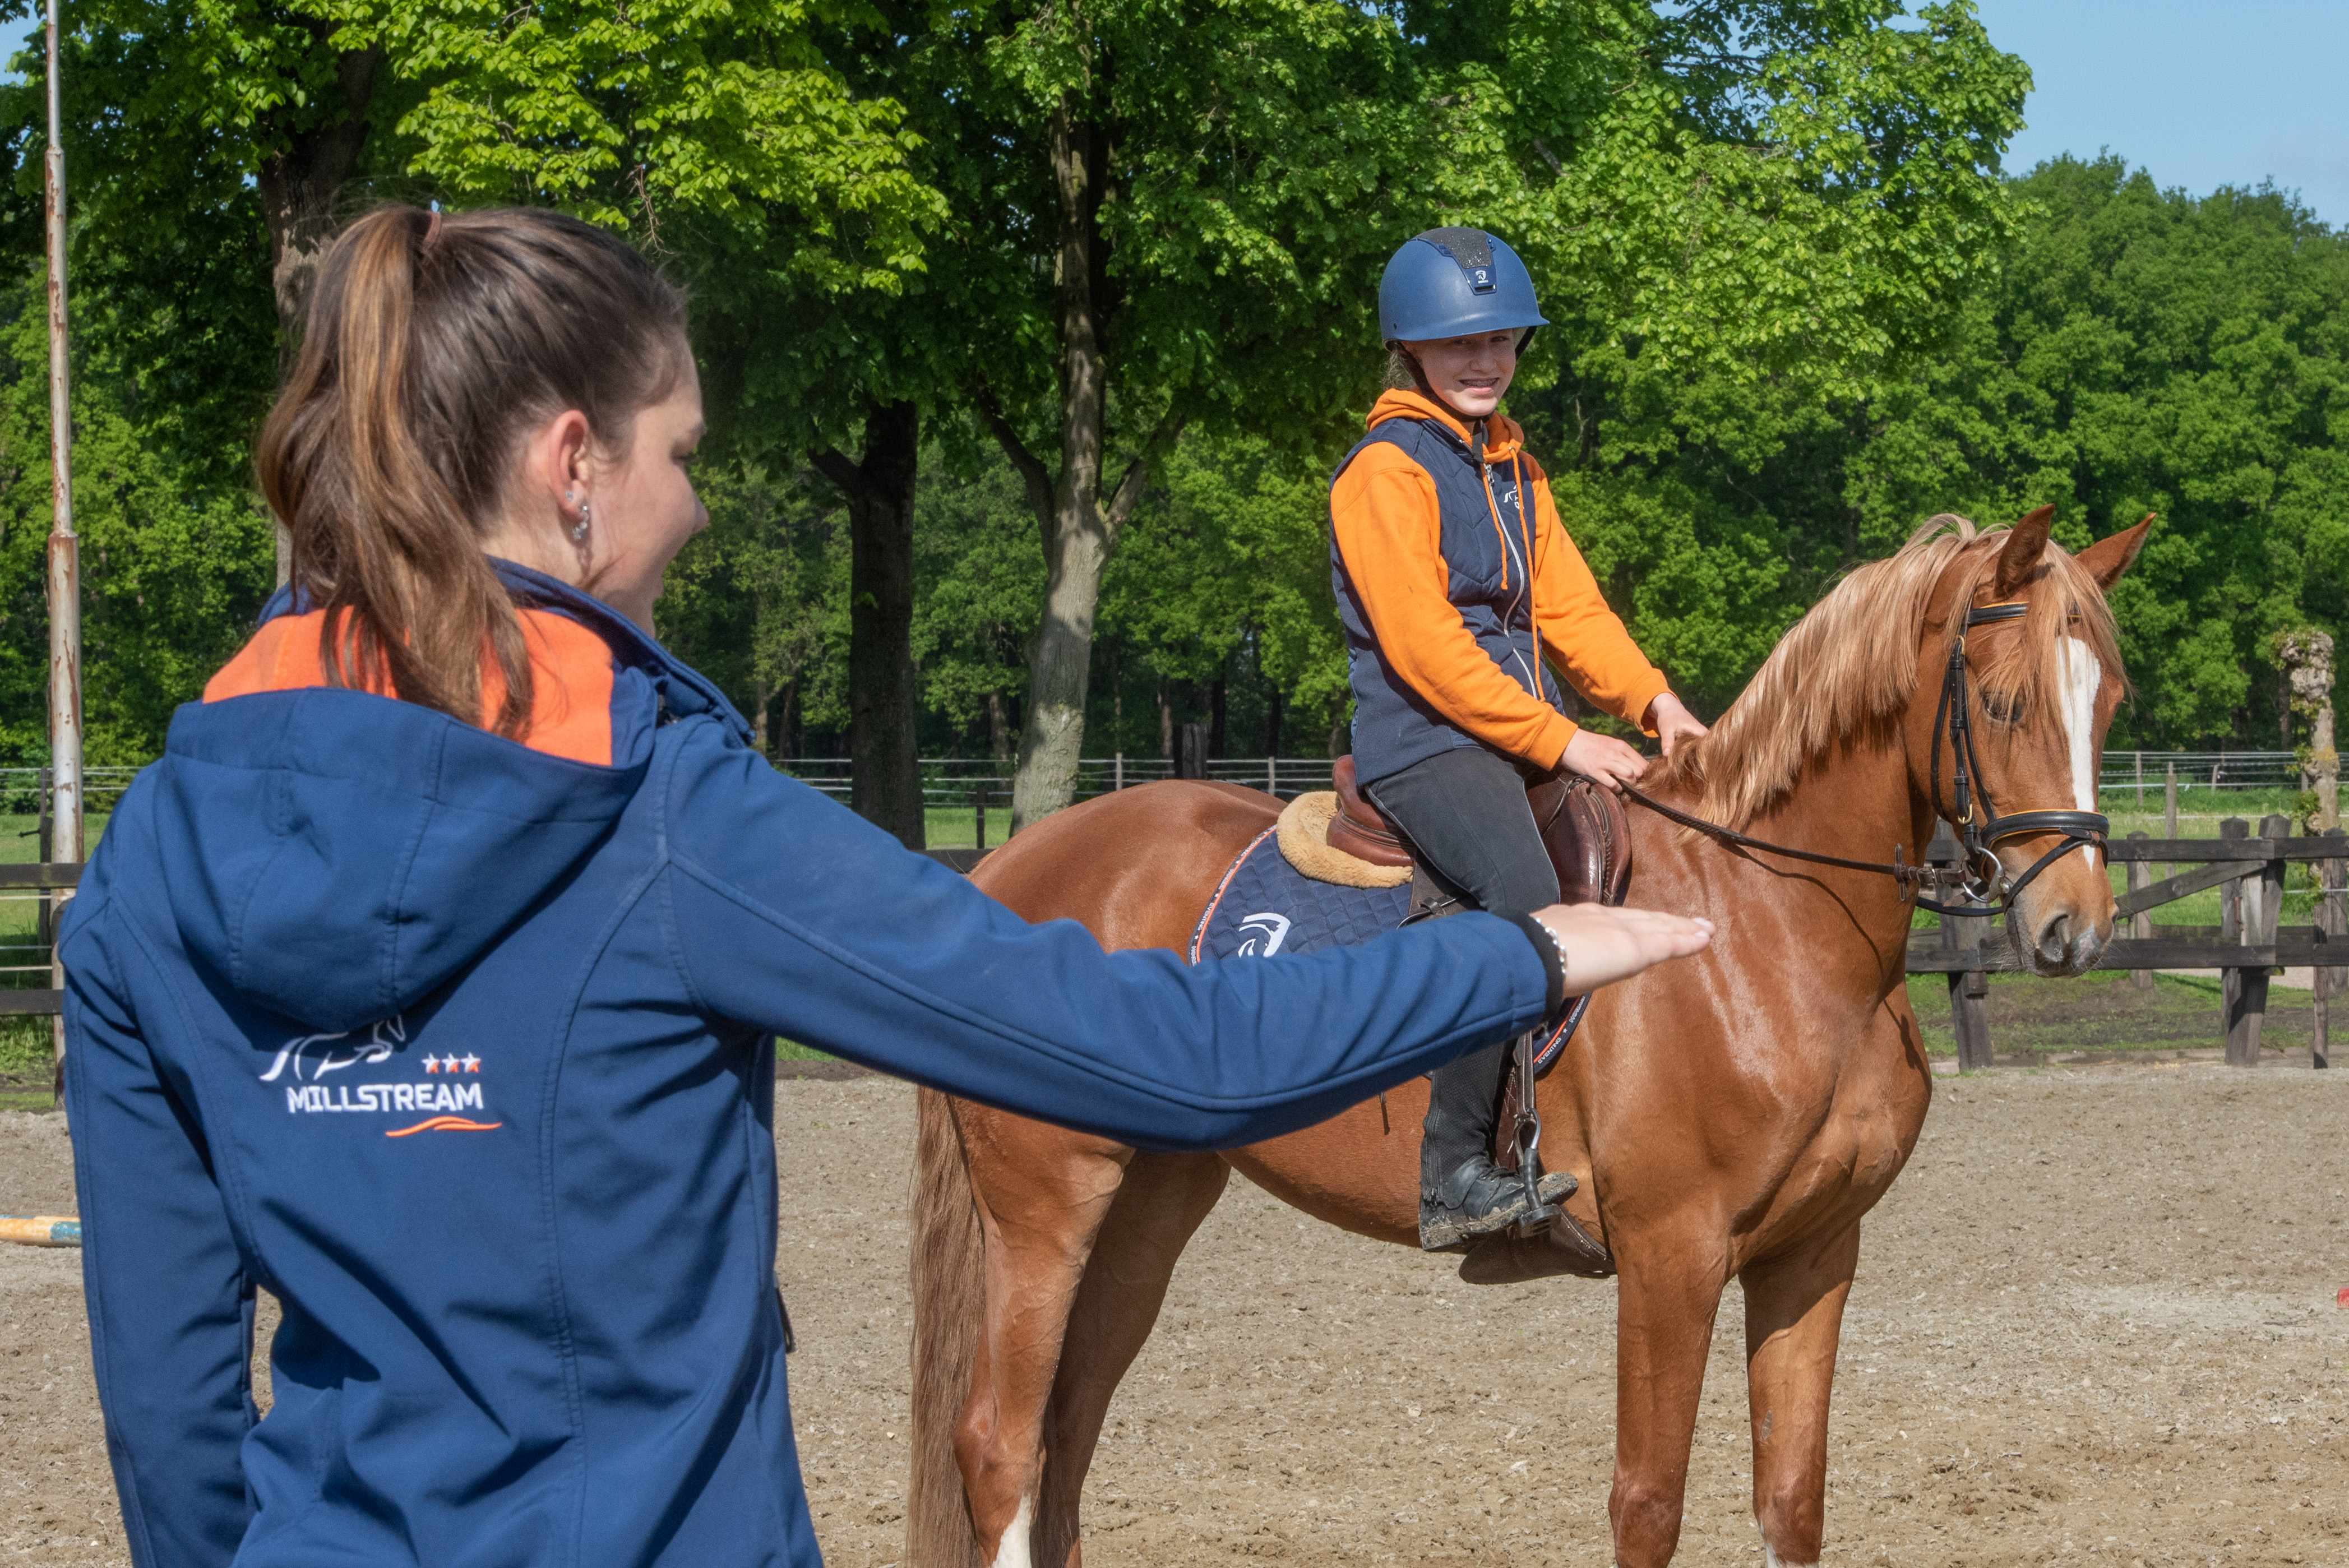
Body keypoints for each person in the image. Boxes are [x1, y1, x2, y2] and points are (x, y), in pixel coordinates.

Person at [57, 205, 1710, 1568]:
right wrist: (1520, 957)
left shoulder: (142, 862)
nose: (695, 504)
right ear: (573, 465)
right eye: (679, 453)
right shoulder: (666, 815)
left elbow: (168, 1385)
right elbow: (1155, 1051)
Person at [1328, 226, 1712, 1251]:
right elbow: (1424, 645)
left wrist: (1651, 701)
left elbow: (1574, 613)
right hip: (1425, 741)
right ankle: (1456, 1169)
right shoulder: (1384, 470)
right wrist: (1560, 740)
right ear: (1410, 350)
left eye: (1502, 338)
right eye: (1460, 343)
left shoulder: (1513, 466)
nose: (1485, 359)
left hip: (1517, 732)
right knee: (1518, 899)